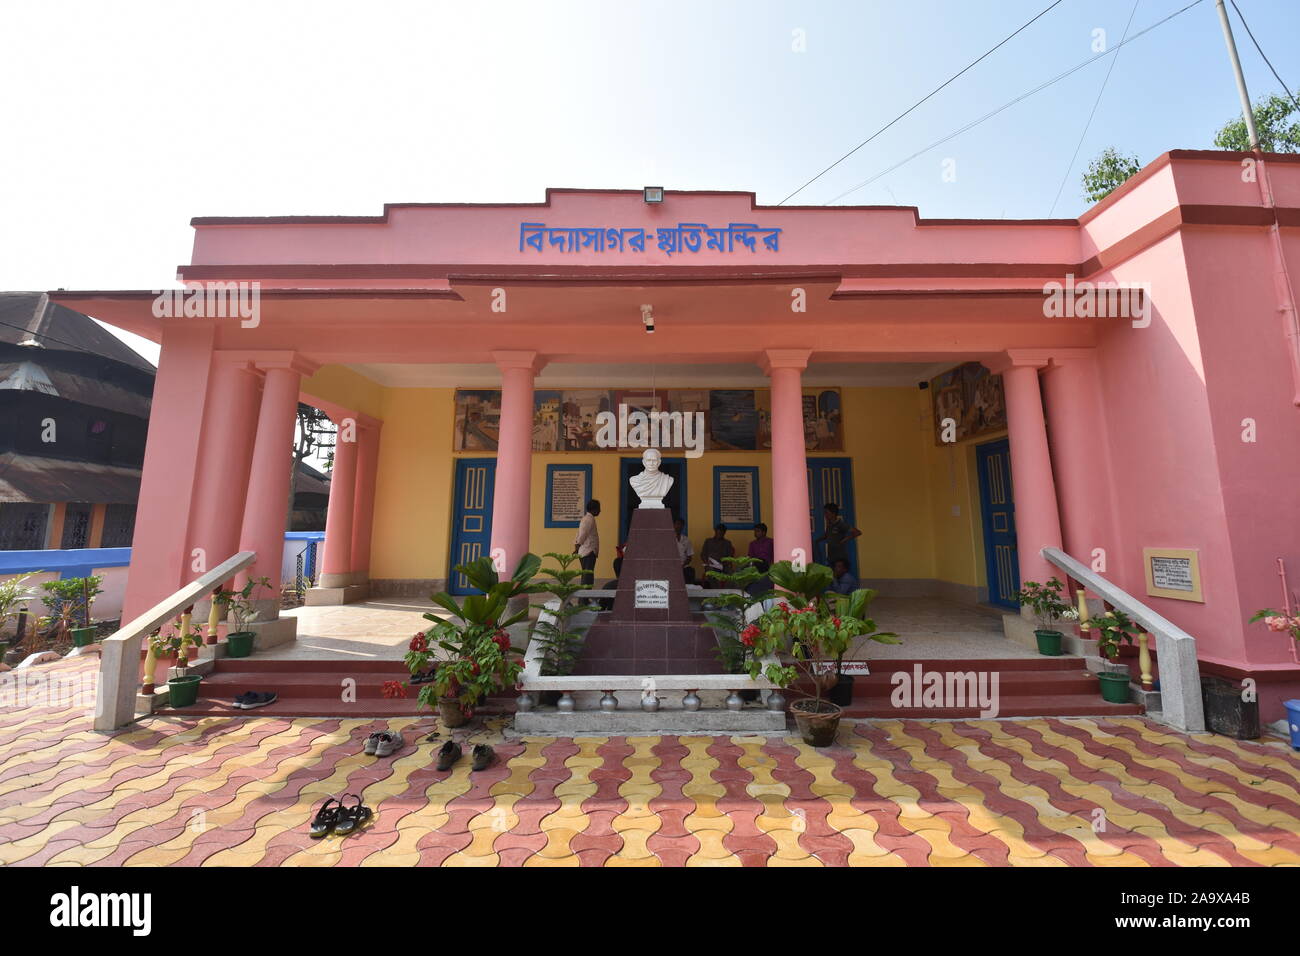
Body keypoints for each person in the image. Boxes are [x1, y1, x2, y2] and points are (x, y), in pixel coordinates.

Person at [816, 502, 861, 568]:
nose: (825, 515)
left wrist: (843, 540)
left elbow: (857, 532)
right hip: (831, 556)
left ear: (833, 513)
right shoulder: (829, 525)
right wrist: (816, 541)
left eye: (826, 513)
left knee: (839, 575)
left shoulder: (840, 524)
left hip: (840, 557)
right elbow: (826, 536)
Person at [573, 499, 600, 587]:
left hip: (587, 551)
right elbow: (582, 534)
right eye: (598, 508)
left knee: (587, 576)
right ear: (594, 509)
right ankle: (583, 599)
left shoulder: (587, 519)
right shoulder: (588, 519)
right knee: (587, 577)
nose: (600, 511)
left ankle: (584, 599)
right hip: (588, 551)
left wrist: (577, 547)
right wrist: (577, 546)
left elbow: (579, 534)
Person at [745, 522, 775, 597]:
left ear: (764, 532)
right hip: (756, 566)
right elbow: (750, 557)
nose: (755, 533)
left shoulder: (771, 542)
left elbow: (775, 555)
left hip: (768, 565)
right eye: (754, 531)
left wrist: (772, 566)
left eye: (757, 531)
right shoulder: (752, 544)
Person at [673, 516, 695, 584]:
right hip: (672, 565)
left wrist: (682, 565)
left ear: (683, 526)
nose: (679, 526)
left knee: (690, 571)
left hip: (684, 565)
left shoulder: (686, 540)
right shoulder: (668, 538)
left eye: (681, 525)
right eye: (677, 524)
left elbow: (689, 557)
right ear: (673, 525)